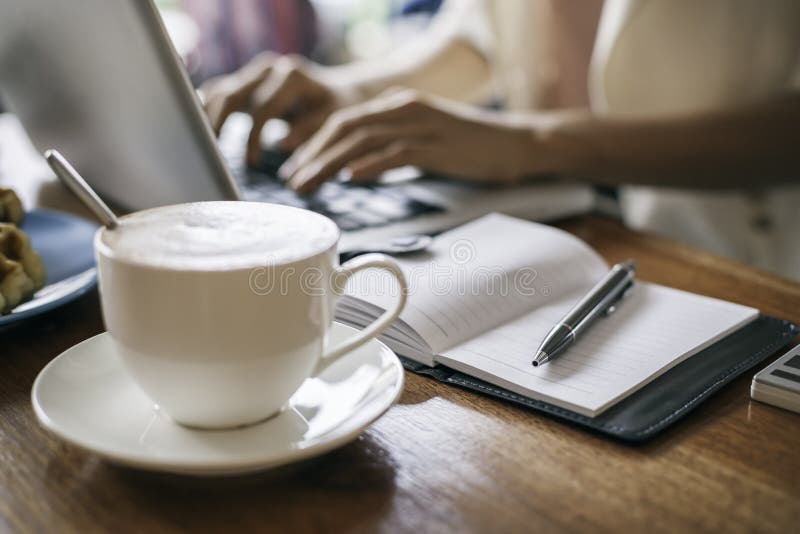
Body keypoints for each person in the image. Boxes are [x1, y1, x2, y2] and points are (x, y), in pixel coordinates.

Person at [201, 0, 800, 278]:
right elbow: (472, 38)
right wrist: (347, 94)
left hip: (745, 268)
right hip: (575, 241)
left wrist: (530, 142)